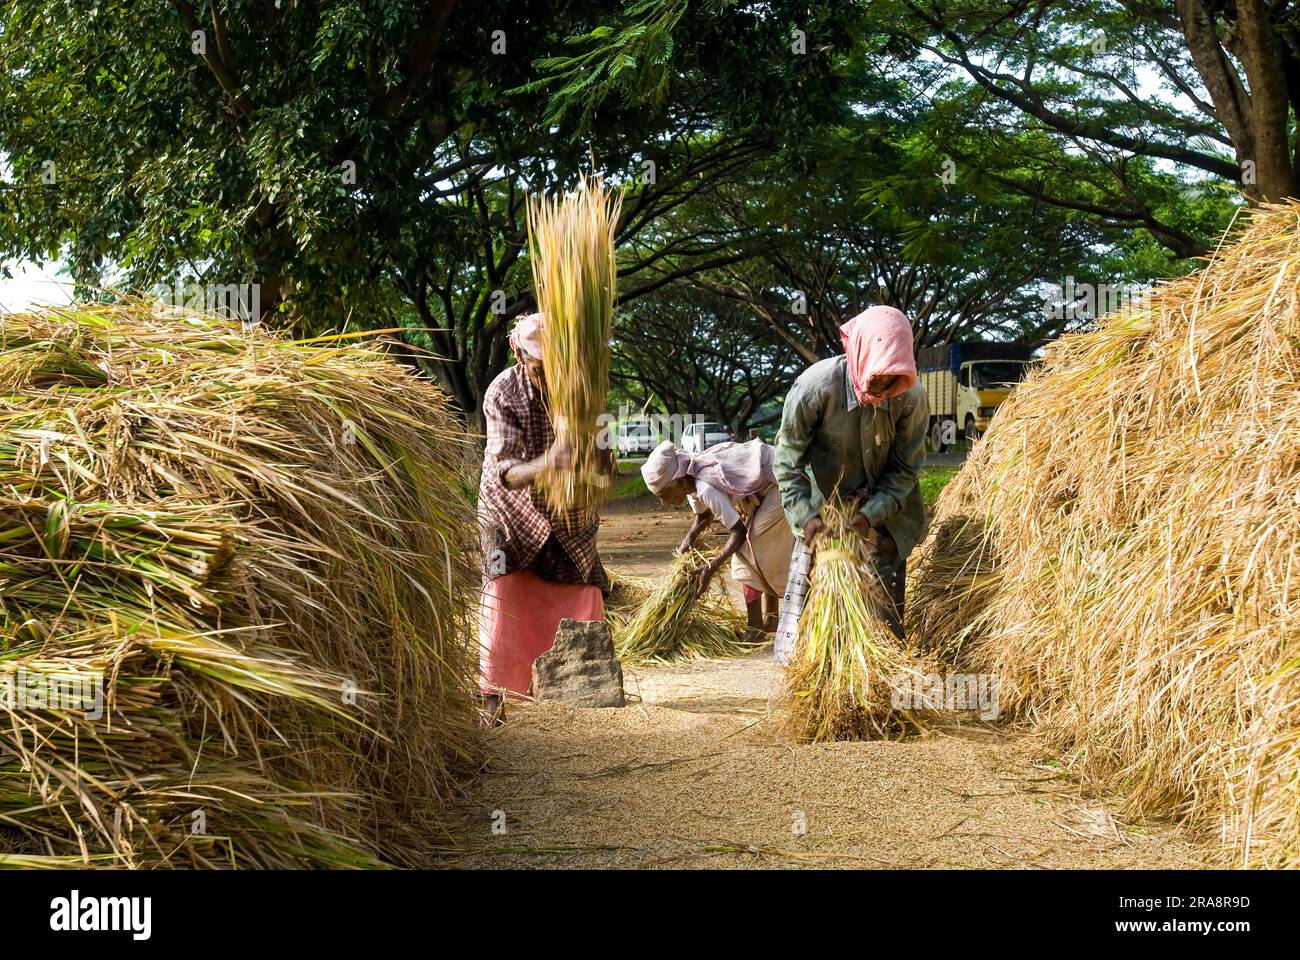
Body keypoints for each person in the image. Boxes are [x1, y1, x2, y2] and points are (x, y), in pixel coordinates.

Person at [773, 305, 928, 663]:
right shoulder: (816, 388)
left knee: (882, 617)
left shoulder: (910, 395)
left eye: (892, 380)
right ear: (858, 352)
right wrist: (807, 518)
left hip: (884, 514)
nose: (882, 388)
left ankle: (880, 684)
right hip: (822, 514)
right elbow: (786, 460)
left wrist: (870, 515)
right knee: (810, 613)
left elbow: (905, 469)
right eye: (877, 377)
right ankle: (809, 678)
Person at [476, 312, 612, 724]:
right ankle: (493, 702)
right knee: (505, 596)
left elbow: (605, 458)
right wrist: (551, 462)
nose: (546, 374)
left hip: (567, 516)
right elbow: (506, 472)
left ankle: (584, 699)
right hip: (509, 513)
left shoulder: (580, 389)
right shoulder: (503, 391)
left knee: (581, 592)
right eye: (539, 366)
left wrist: (598, 455)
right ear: (519, 353)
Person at [641, 438, 792, 635]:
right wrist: (684, 548)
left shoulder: (705, 486)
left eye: (663, 495)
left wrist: (711, 566)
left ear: (678, 482)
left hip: (780, 483)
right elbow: (703, 517)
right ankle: (770, 620)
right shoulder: (691, 483)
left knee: (747, 554)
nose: (663, 502)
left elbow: (738, 533)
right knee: (759, 552)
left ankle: (755, 628)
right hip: (762, 485)